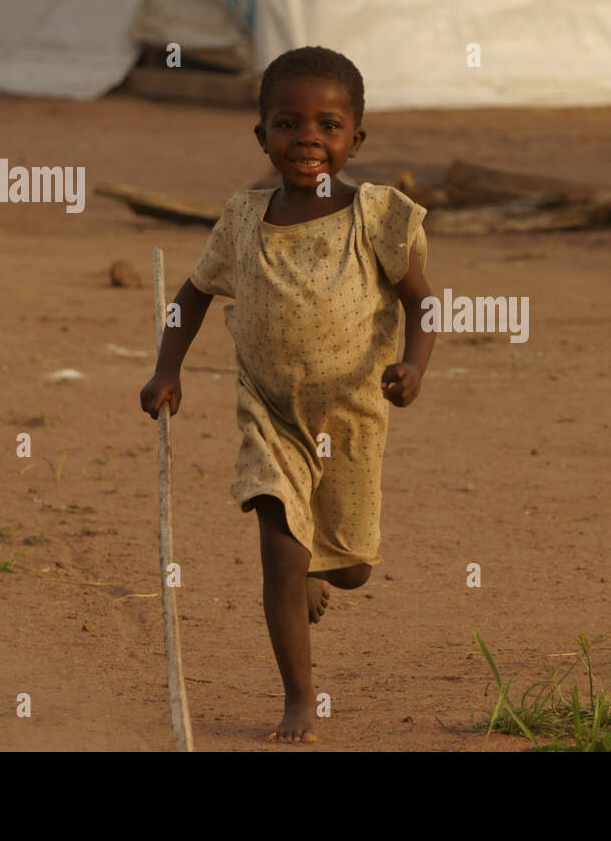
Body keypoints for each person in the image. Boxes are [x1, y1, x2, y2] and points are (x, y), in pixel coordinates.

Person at [140, 46, 435, 744]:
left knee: (354, 566)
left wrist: (413, 367)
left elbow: (423, 304)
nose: (308, 138)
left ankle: (320, 572)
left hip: (353, 415)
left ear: (355, 140)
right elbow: (192, 296)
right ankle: (299, 698)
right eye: (287, 123)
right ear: (262, 135)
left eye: (328, 126)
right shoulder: (243, 220)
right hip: (270, 414)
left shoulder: (376, 216)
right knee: (279, 545)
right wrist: (166, 369)